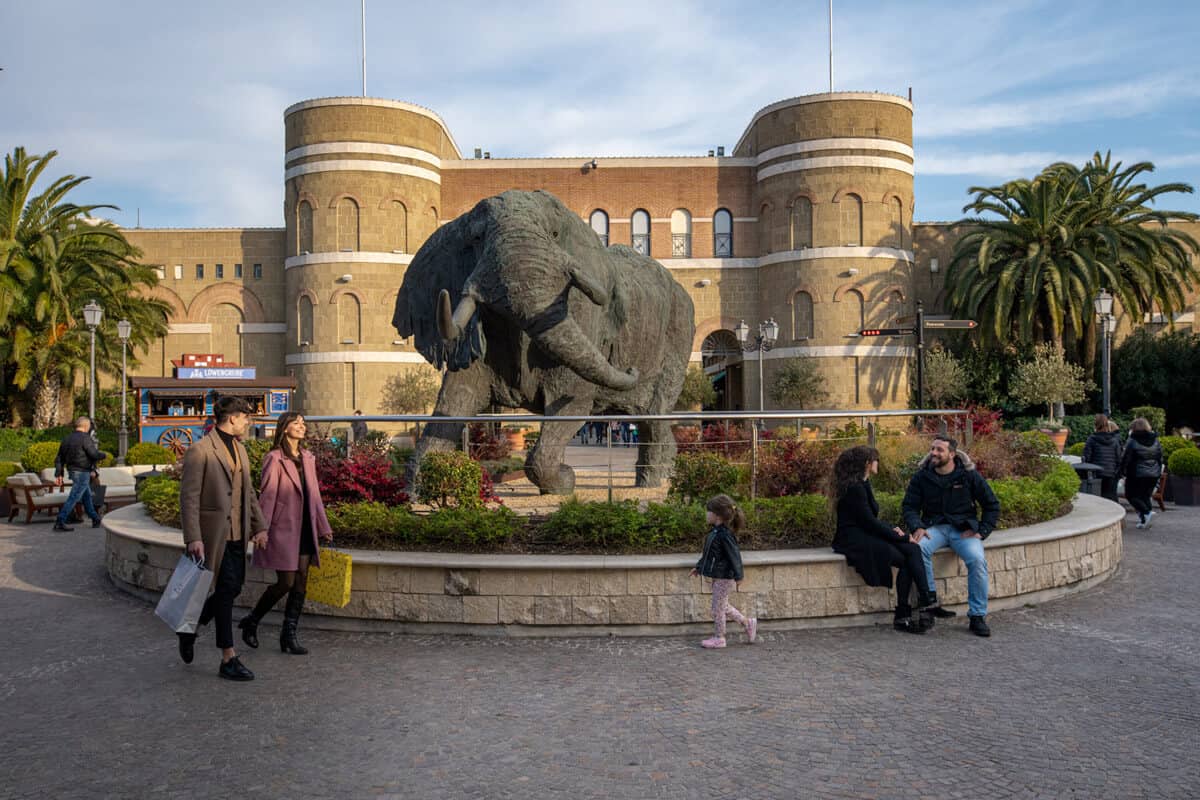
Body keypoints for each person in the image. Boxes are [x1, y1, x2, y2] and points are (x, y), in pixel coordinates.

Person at [177, 396, 269, 681]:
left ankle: (190, 626)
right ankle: (228, 656)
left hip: (238, 532)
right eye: (245, 417)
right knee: (226, 591)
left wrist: (259, 526)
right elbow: (189, 497)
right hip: (213, 534)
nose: (247, 422)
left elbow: (249, 493)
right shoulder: (201, 450)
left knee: (233, 587)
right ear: (232, 417)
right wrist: (193, 537)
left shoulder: (240, 450)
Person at [239, 412, 333, 655]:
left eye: (303, 423)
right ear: (284, 429)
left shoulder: (308, 457)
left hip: (305, 528)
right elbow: (268, 495)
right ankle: (252, 619)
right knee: (286, 582)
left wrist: (324, 527)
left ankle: (288, 635)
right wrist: (261, 528)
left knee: (302, 580)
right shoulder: (274, 458)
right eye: (296, 423)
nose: (301, 427)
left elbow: (315, 496)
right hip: (283, 529)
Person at [831, 446, 938, 634]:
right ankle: (911, 610)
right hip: (854, 540)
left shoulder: (863, 483)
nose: (877, 463)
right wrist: (903, 536)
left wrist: (892, 530)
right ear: (867, 463)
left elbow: (870, 521)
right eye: (875, 460)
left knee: (913, 550)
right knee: (907, 556)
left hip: (866, 533)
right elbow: (869, 523)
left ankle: (923, 603)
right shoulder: (855, 488)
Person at [903, 435, 1001, 638]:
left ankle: (977, 616)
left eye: (939, 450)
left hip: (963, 529)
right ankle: (930, 606)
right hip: (933, 528)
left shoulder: (969, 475)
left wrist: (981, 531)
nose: (934, 453)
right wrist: (917, 526)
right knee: (917, 550)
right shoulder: (922, 476)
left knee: (977, 560)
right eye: (932, 449)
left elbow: (992, 505)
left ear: (952, 454)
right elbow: (909, 506)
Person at [689, 494, 757, 649]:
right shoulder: (715, 532)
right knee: (723, 606)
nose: (706, 514)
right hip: (718, 576)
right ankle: (748, 623)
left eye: (708, 511)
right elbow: (709, 554)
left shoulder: (725, 535)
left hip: (724, 577)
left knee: (717, 609)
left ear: (717, 515)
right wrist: (699, 567)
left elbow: (734, 555)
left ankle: (720, 638)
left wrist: (739, 575)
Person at [52, 416, 104, 532]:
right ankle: (60, 521)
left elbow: (59, 458)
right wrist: (103, 455)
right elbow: (93, 454)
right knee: (74, 497)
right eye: (89, 426)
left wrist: (59, 474)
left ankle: (95, 519)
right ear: (86, 426)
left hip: (72, 471)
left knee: (86, 497)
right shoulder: (85, 438)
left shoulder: (67, 439)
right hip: (82, 472)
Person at [1120, 417, 1163, 529]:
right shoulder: (1156, 440)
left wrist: (1121, 472)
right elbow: (1160, 458)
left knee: (1131, 495)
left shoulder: (1132, 441)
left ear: (1133, 428)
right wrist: (1158, 472)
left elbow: (1126, 458)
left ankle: (1147, 513)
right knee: (1145, 496)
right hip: (1153, 473)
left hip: (1136, 474)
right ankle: (1145, 520)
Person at [1083, 414, 1124, 504]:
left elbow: (1087, 457)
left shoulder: (1092, 439)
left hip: (1096, 473)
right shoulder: (1115, 440)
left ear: (1095, 425)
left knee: (1098, 499)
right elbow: (1119, 458)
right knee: (1112, 498)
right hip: (1111, 473)